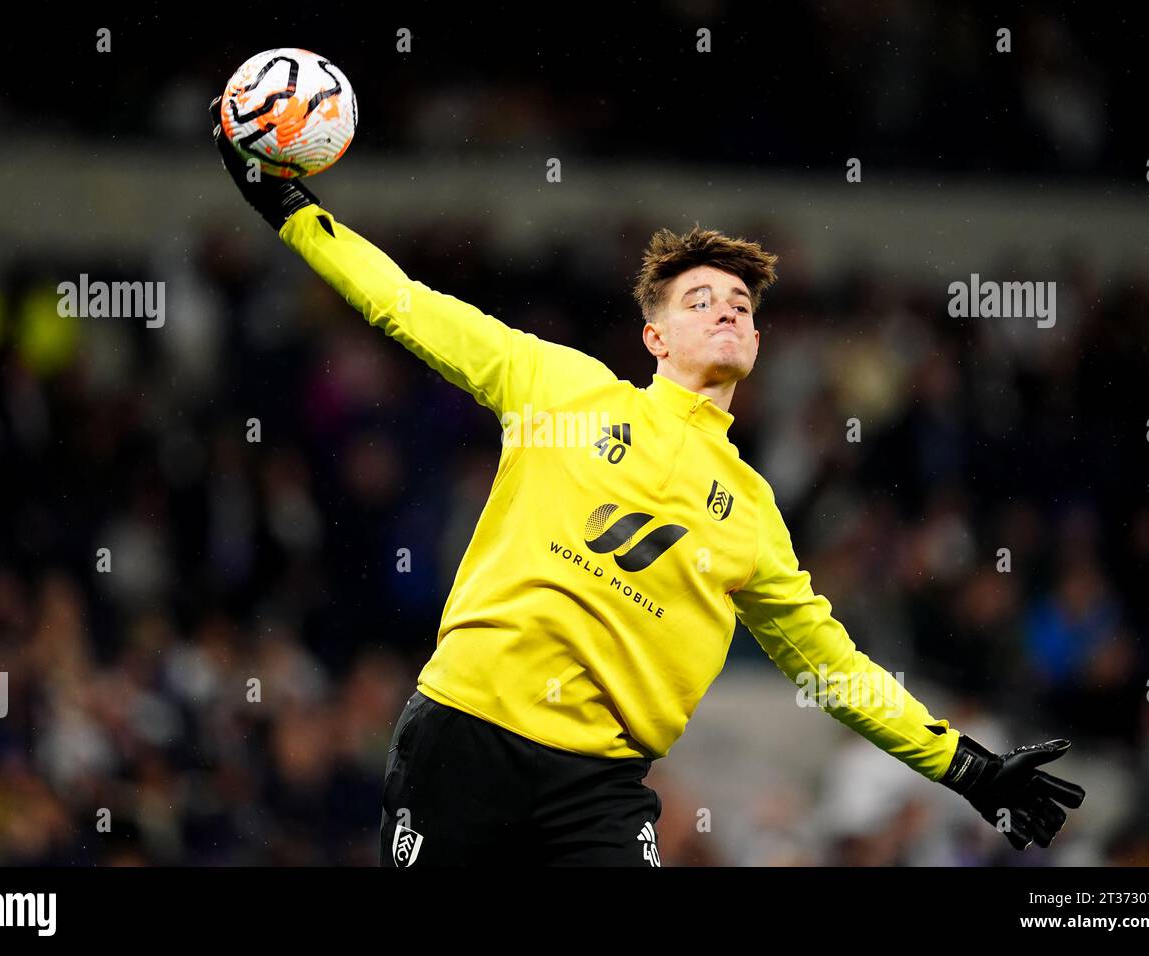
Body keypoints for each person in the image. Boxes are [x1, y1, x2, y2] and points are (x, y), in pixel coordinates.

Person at [210, 98, 1085, 866]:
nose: (730, 307)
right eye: (701, 298)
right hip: (465, 737)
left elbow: (834, 670)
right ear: (654, 339)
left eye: (742, 302)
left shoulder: (749, 512)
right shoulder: (556, 384)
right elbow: (401, 301)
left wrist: (964, 765)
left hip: (598, 788)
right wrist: (286, 205)